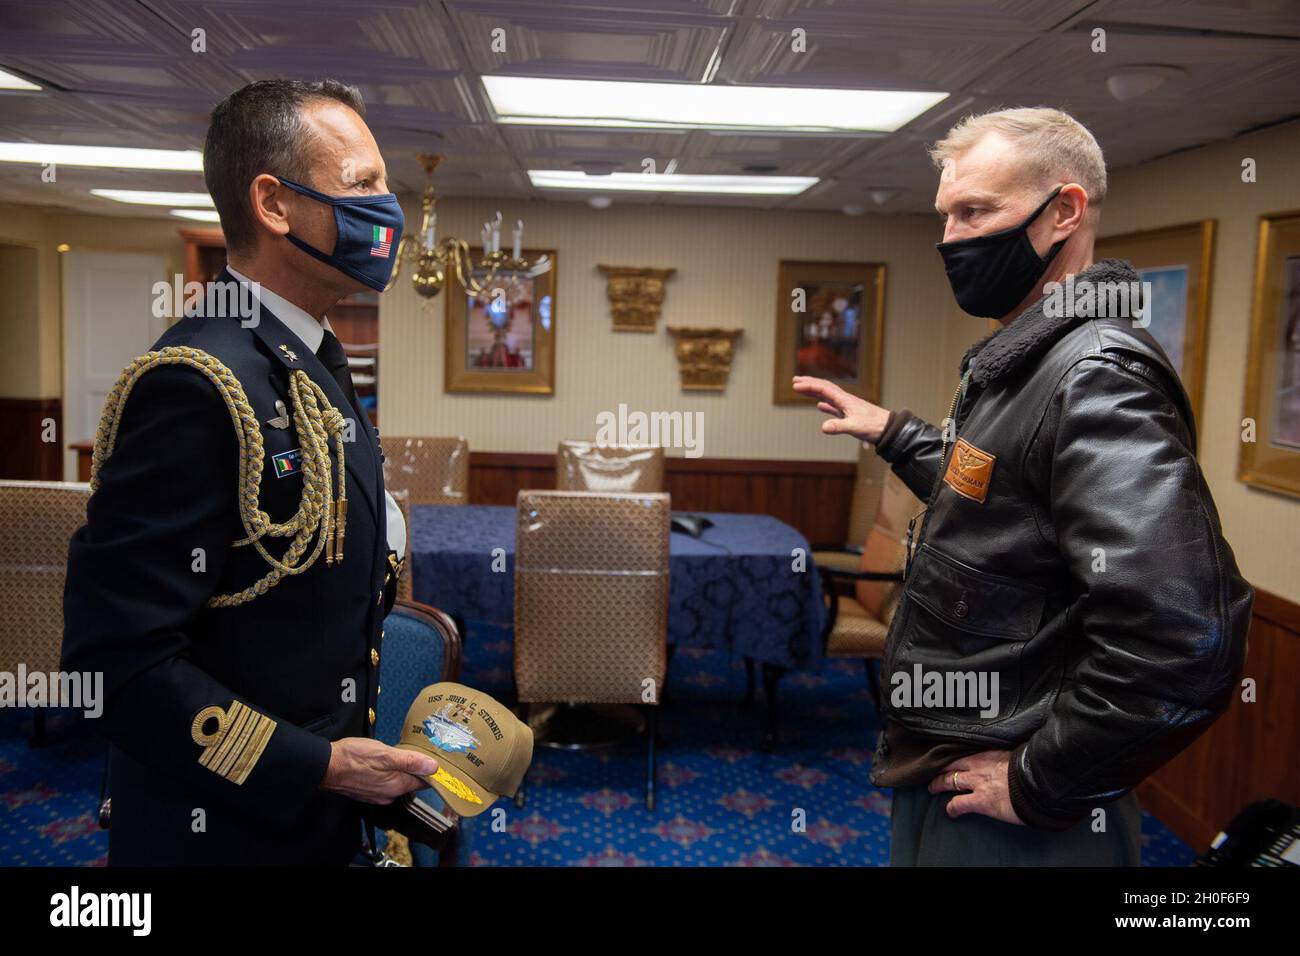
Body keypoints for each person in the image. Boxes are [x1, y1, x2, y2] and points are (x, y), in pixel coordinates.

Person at [795, 107, 1252, 866]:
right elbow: (997, 499)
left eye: (976, 211)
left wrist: (1041, 781)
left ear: (1063, 212)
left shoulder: (1095, 374)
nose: (951, 239)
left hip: (1019, 807)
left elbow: (1183, 636)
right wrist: (896, 434)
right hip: (954, 754)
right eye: (946, 215)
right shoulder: (1027, 357)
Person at [61, 79, 437, 865]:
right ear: (274, 203)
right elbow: (115, 668)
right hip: (221, 834)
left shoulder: (307, 357)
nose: (388, 209)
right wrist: (318, 767)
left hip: (311, 821)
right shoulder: (196, 383)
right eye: (363, 183)